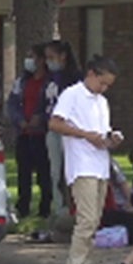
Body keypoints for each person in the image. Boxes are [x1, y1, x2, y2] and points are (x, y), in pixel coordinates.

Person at [48, 55, 123, 264]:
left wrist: (111, 137)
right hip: (82, 165)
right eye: (102, 83)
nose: (104, 88)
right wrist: (84, 135)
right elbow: (55, 123)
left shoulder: (102, 102)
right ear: (91, 74)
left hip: (100, 164)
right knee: (87, 218)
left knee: (93, 220)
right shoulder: (72, 94)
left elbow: (103, 129)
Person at [6, 44, 52, 218]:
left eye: (32, 56)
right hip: (24, 134)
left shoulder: (49, 82)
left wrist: (41, 118)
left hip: (42, 135)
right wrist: (20, 121)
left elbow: (51, 103)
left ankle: (45, 208)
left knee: (44, 174)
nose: (29, 61)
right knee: (23, 174)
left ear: (41, 60)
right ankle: (23, 207)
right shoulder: (22, 81)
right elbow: (12, 103)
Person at [43, 39, 82, 216]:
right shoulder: (50, 78)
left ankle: (74, 207)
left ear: (63, 56)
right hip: (52, 130)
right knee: (55, 170)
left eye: (52, 57)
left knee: (69, 170)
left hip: (68, 130)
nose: (48, 61)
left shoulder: (74, 79)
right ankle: (60, 209)